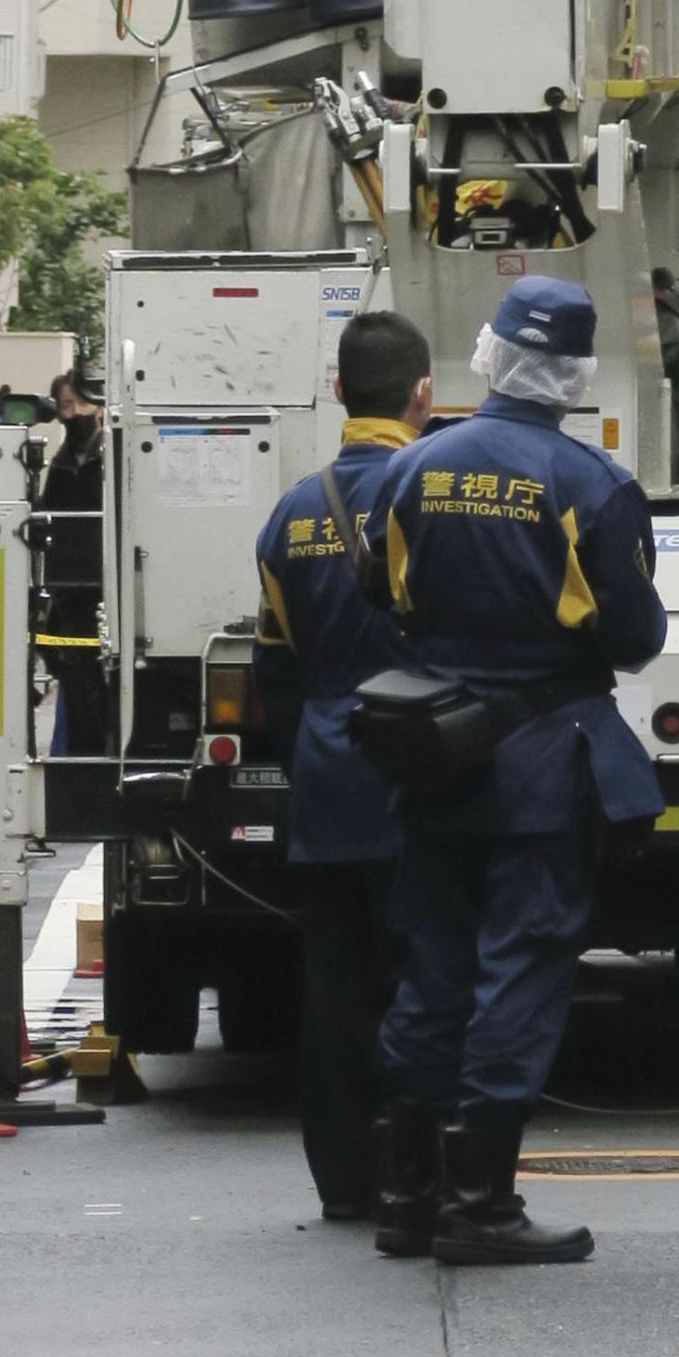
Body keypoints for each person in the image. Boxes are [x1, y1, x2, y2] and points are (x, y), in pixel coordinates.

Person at [368, 274, 666, 1268]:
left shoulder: (415, 469)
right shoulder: (590, 486)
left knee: (434, 968)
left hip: (431, 750)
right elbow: (633, 634)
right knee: (520, 972)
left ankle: (405, 1193)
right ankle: (482, 1202)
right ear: (577, 375)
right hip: (543, 761)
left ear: (487, 354)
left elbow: (386, 597)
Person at [252, 308, 437, 1224]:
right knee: (426, 978)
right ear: (423, 395)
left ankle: (344, 1182)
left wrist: (312, 752)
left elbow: (274, 667)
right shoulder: (435, 494)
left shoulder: (293, 512)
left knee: (333, 991)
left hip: (327, 776)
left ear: (336, 392)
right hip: (423, 776)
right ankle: (416, 1167)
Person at [34, 367, 109, 756]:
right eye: (65, 405)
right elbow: (48, 520)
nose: (72, 413)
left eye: (78, 402)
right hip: (70, 598)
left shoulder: (115, 457)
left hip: (108, 591)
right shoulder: (61, 464)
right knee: (78, 686)